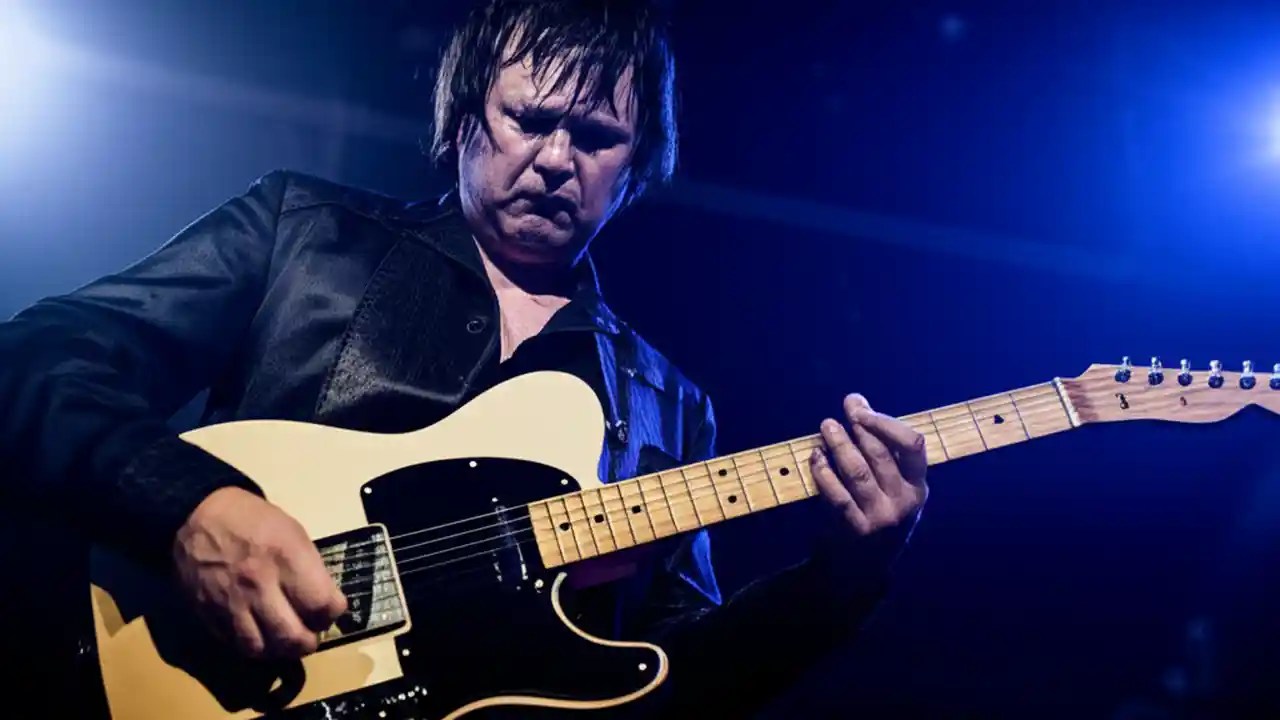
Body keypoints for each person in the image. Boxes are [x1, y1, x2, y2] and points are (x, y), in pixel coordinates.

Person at [0, 0, 928, 716]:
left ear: (637, 162)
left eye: (597, 137)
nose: (557, 158)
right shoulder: (304, 233)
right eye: (529, 118)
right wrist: (190, 505)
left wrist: (842, 580)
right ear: (462, 117)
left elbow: (673, 676)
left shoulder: (667, 405)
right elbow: (36, 358)